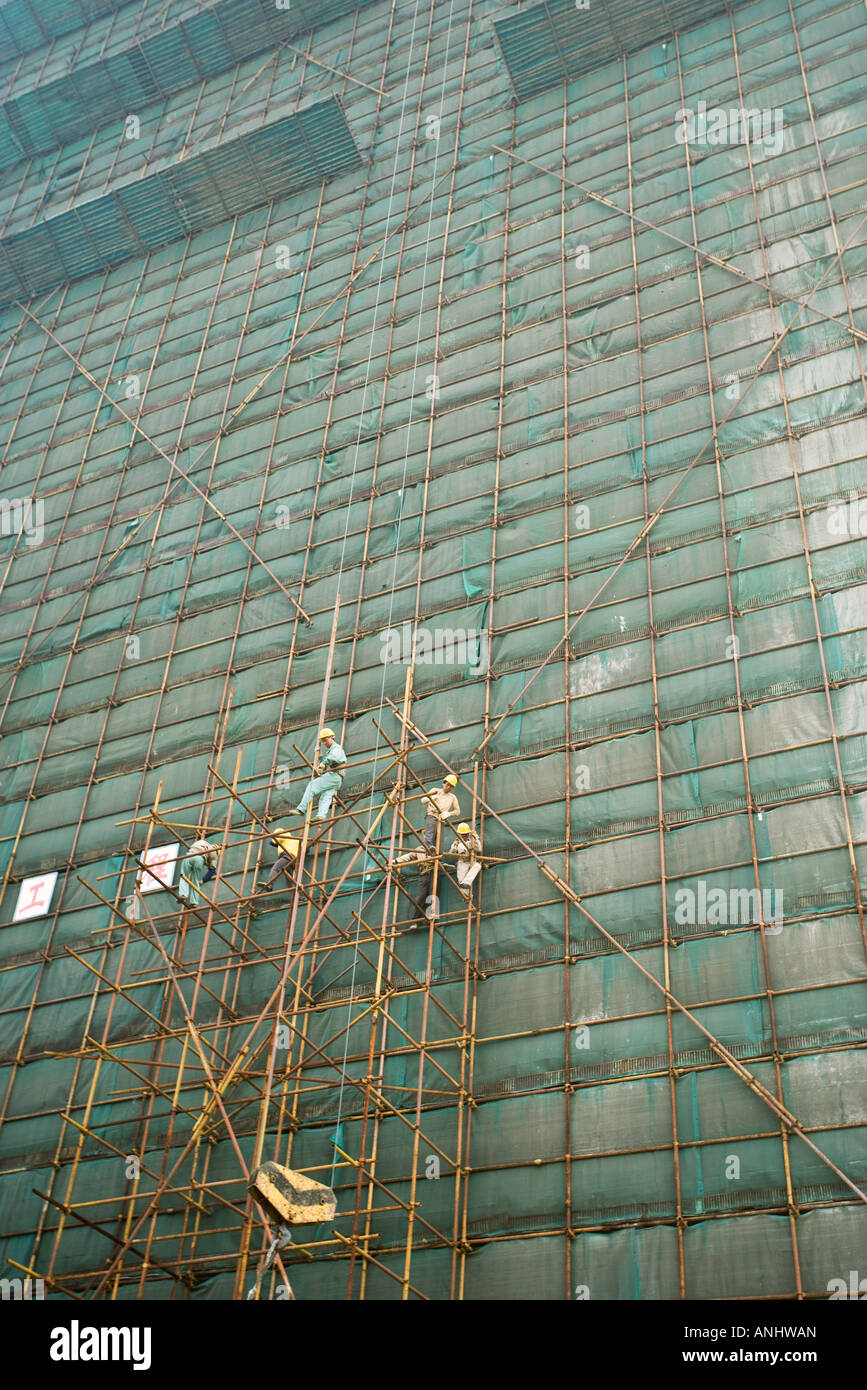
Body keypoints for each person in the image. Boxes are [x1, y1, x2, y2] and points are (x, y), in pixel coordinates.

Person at [296, 729, 347, 821]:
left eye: (325, 740)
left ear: (332, 737)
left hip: (334, 775)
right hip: (337, 778)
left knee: (312, 785)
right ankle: (321, 815)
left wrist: (323, 763)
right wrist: (320, 757)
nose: (324, 743)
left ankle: (302, 808)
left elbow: (332, 758)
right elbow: (326, 760)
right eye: (323, 741)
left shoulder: (336, 748)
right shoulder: (331, 751)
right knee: (326, 796)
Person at [420, 774, 460, 853]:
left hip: (441, 819)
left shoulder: (452, 797)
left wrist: (448, 814)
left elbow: (457, 811)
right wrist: (430, 798)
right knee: (430, 835)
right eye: (447, 784)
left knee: (439, 840)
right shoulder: (435, 791)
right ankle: (429, 852)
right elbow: (423, 800)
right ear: (444, 783)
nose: (448, 787)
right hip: (432, 815)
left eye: (451, 786)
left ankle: (439, 858)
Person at [178, 839, 219, 906]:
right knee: (195, 880)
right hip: (199, 859)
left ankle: (183, 895)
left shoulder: (203, 842)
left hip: (189, 855)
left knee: (184, 876)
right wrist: (203, 880)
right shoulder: (214, 854)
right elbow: (212, 871)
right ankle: (194, 902)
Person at [450, 822, 482, 900]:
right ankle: (466, 895)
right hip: (462, 861)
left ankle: (467, 882)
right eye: (462, 834)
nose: (464, 835)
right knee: (461, 881)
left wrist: (476, 838)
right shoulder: (457, 842)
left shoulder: (471, 840)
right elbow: (451, 853)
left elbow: (479, 849)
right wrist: (455, 847)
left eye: (465, 834)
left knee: (478, 866)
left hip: (472, 860)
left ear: (468, 834)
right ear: (459, 834)